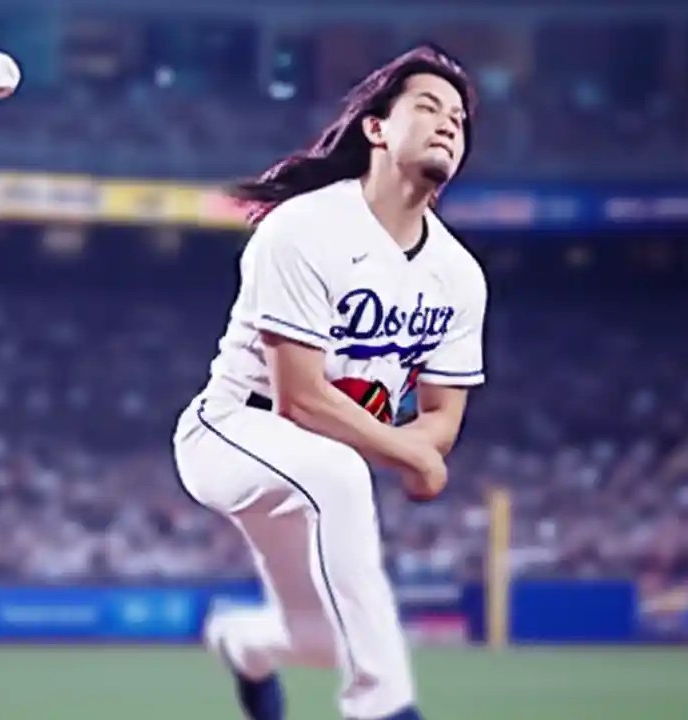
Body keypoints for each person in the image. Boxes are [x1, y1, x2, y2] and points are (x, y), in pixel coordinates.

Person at [171, 45, 487, 720]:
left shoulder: (459, 275)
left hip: (317, 467)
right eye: (428, 107)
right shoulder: (305, 227)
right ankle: (384, 705)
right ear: (376, 128)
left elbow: (442, 416)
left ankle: (242, 644)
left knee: (318, 642)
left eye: (458, 120)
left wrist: (422, 450)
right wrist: (412, 456)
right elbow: (301, 399)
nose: (447, 124)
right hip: (233, 429)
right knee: (340, 472)